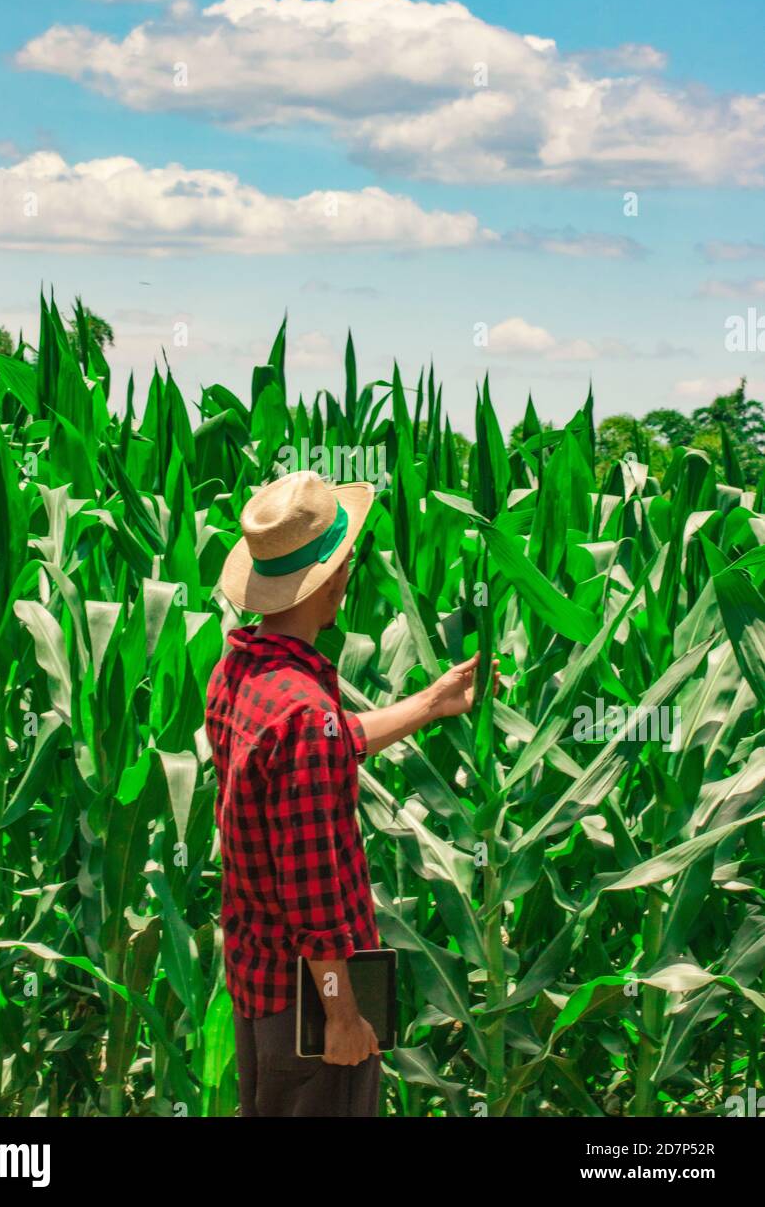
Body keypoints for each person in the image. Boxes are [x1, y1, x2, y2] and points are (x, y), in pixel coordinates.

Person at [206, 469, 499, 1117]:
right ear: (334, 580)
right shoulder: (304, 715)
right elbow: (311, 891)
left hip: (261, 984)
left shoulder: (243, 672)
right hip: (310, 1006)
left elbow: (314, 751)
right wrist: (340, 1012)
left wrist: (431, 703)